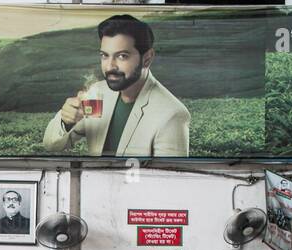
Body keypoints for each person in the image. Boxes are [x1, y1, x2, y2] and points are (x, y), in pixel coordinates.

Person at [42, 14, 190, 158]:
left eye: (122, 56)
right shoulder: (97, 94)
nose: (109, 66)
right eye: (104, 55)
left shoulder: (172, 114)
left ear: (147, 58)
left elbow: (169, 180)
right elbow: (52, 145)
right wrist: (66, 121)